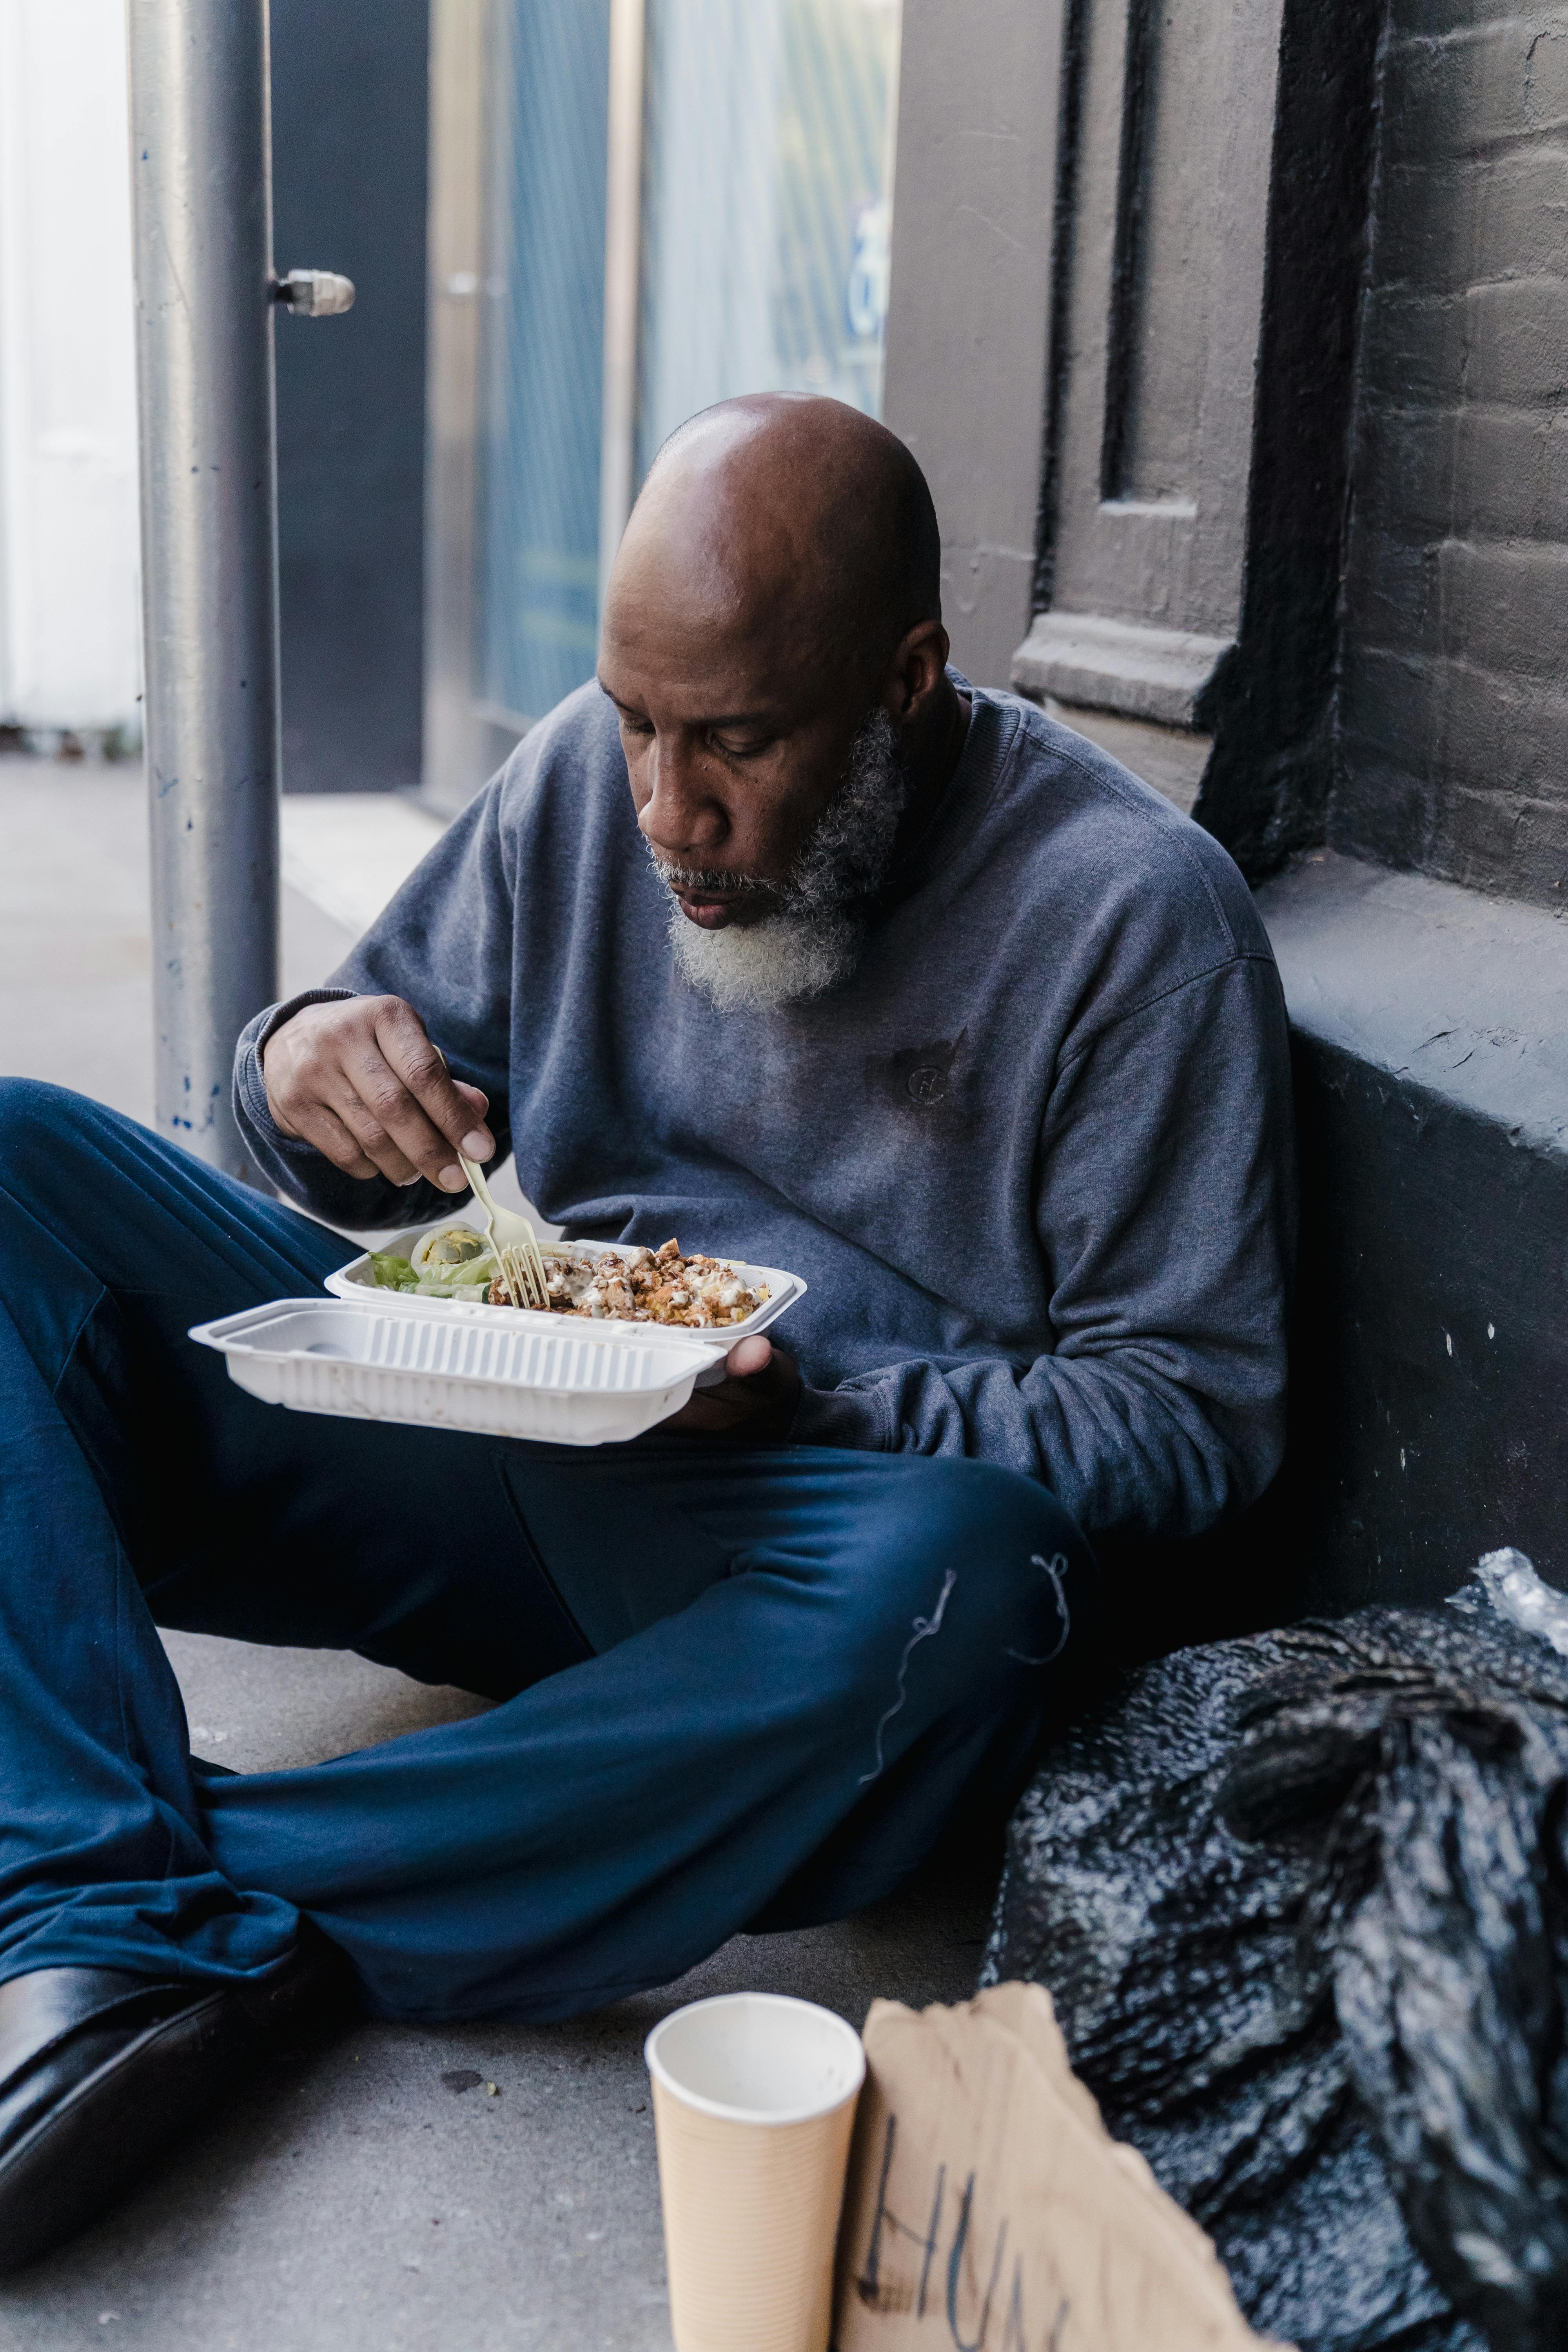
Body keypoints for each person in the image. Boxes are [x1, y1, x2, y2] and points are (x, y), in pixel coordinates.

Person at [0, 395, 1294, 2265]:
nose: (666, 818)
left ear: (907, 683)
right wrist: (297, 1069)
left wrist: (815, 1405)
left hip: (778, 1549)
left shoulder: (1131, 926)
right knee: (20, 1157)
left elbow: (1195, 1419)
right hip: (467, 1435)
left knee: (971, 1595)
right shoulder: (578, 787)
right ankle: (114, 1883)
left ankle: (107, 1889)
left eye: (740, 745)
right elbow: (364, 1142)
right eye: (636, 727)